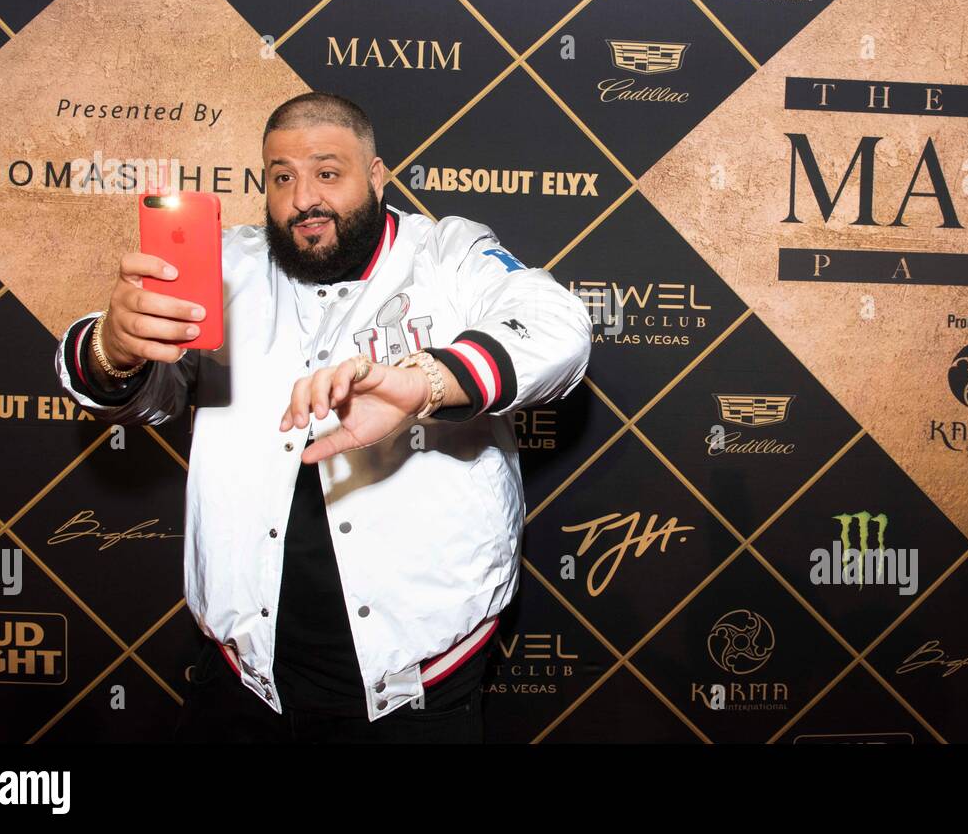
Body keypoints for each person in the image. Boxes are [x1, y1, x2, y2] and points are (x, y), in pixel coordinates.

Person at [53, 91, 593, 743]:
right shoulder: (226, 266)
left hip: (418, 679)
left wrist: (427, 381)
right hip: (244, 672)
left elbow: (558, 325)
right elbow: (150, 394)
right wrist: (113, 347)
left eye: (327, 173)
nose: (303, 198)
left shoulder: (446, 253)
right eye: (282, 176)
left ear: (376, 176)